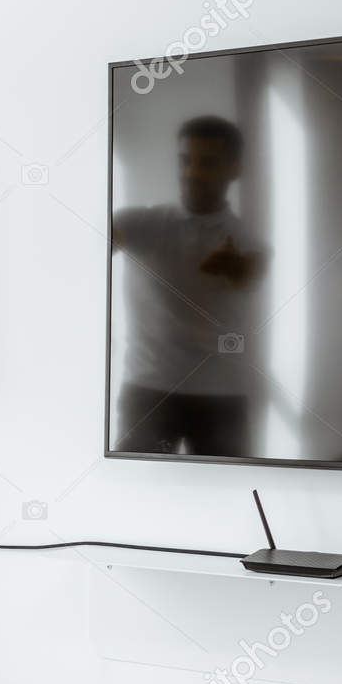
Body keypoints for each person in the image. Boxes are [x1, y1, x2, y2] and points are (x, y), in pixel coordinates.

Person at [111, 114, 270, 458]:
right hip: (148, 391)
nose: (192, 172)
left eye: (207, 163)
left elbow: (250, 272)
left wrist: (236, 266)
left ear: (234, 169)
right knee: (138, 486)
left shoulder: (247, 240)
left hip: (221, 396)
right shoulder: (140, 223)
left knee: (228, 489)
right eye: (185, 160)